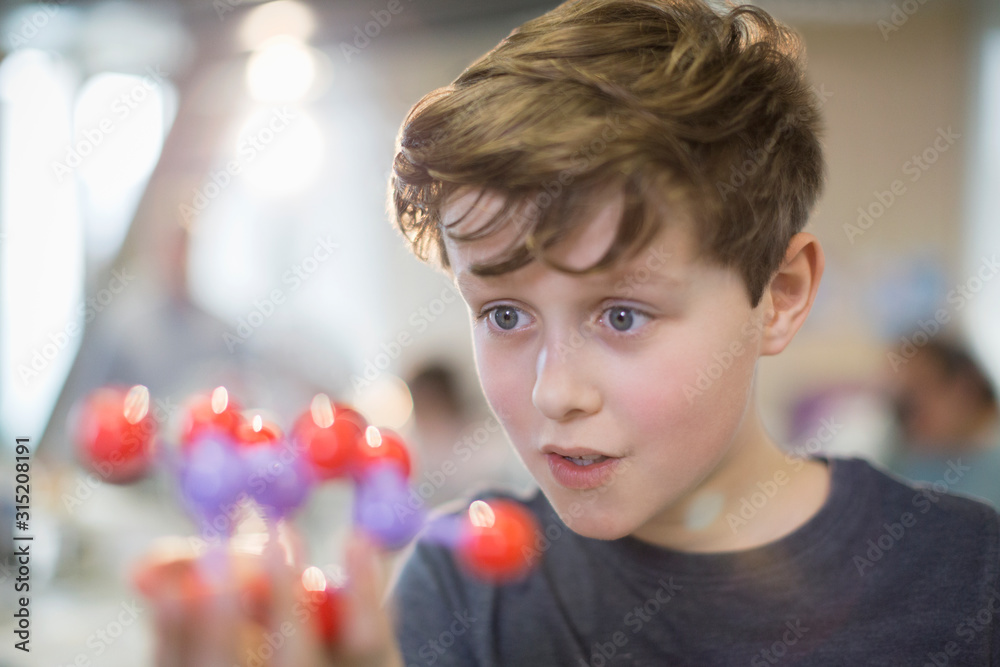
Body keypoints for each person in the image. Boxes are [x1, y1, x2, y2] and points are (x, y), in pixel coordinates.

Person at [137, 1, 1000, 665]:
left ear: (776, 293)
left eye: (622, 315)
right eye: (504, 315)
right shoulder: (468, 590)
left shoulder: (969, 577)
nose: (555, 391)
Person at [887, 337, 1000, 507]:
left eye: (921, 390)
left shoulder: (989, 464)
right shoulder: (913, 462)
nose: (911, 415)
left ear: (964, 386)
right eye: (903, 400)